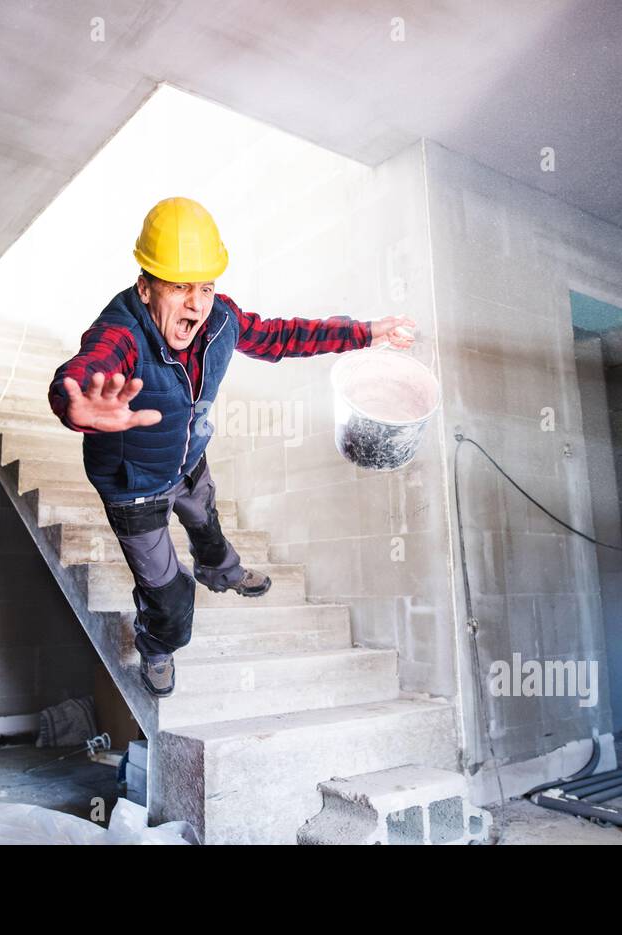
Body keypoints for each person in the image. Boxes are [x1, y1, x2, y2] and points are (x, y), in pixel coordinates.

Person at [47, 196, 416, 697]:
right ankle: (157, 646)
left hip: (188, 458)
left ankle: (221, 572)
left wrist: (366, 333)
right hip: (134, 487)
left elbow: (282, 336)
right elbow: (87, 367)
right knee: (169, 595)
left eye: (205, 286)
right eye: (179, 287)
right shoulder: (122, 331)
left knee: (207, 524)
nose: (196, 304)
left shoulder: (221, 318)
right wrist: (76, 404)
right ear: (145, 287)